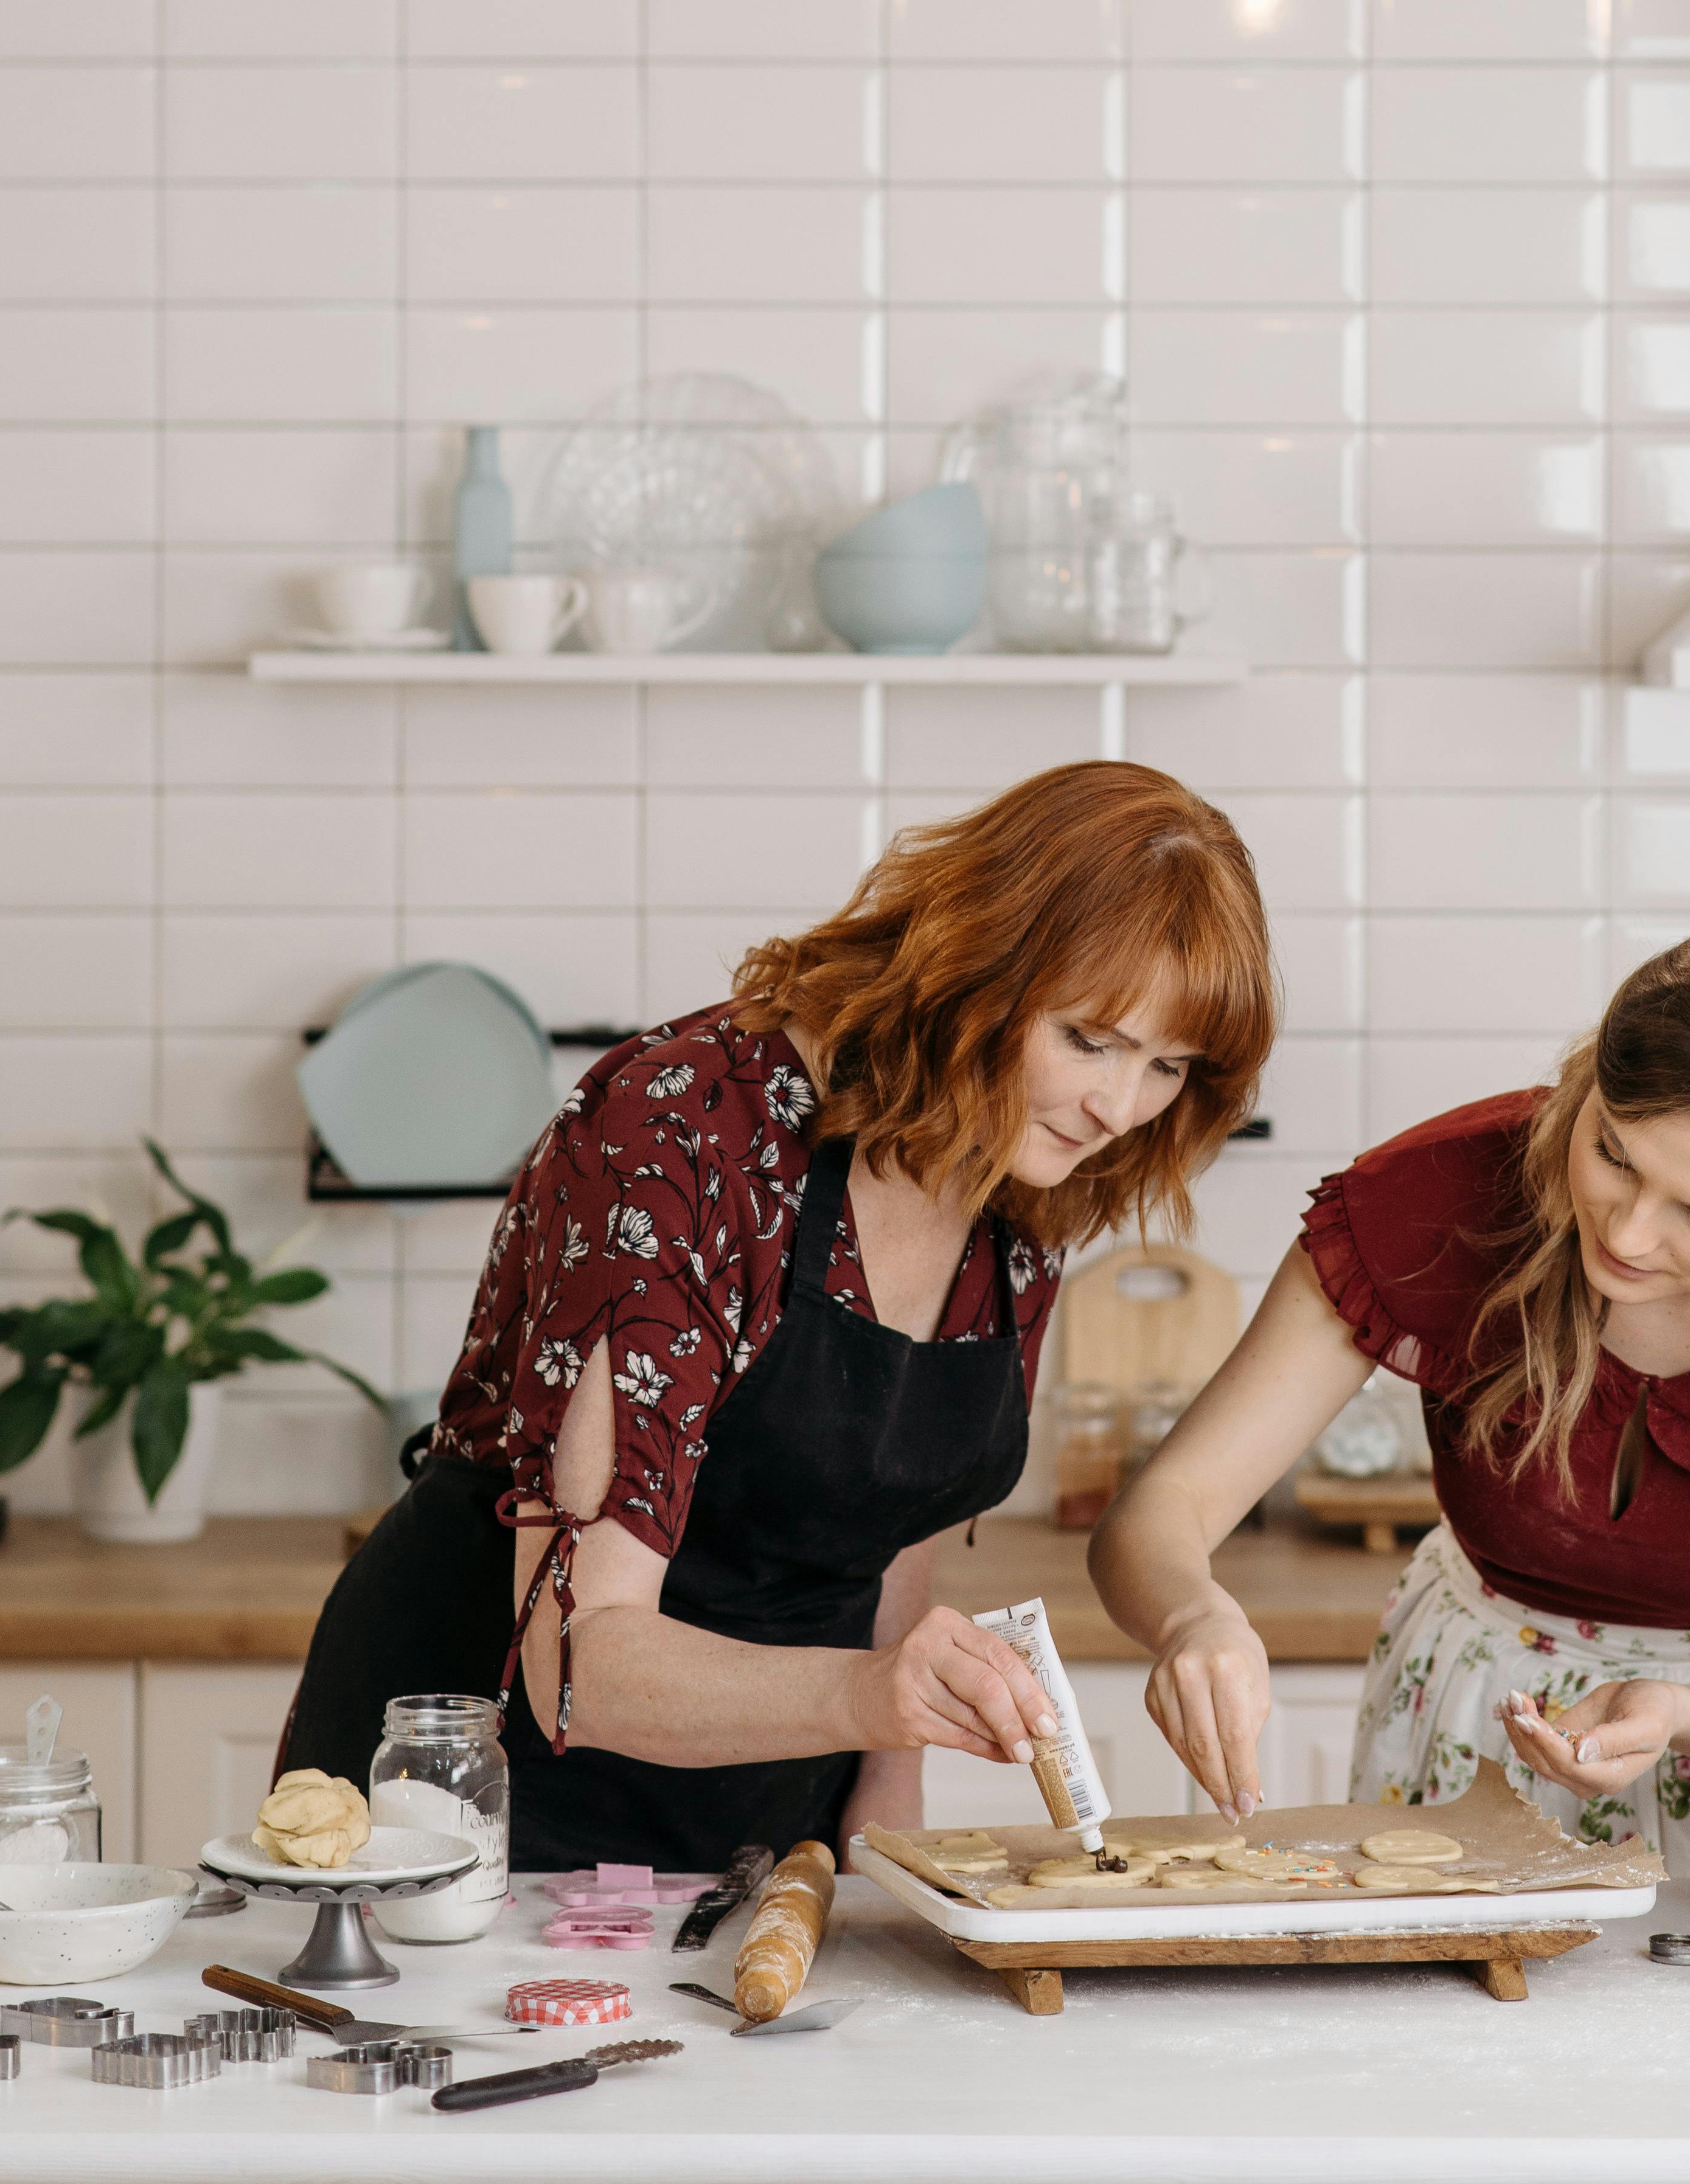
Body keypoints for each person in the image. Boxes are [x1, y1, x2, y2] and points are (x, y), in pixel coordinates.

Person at [286, 761, 1275, 1868]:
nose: (1117, 1105)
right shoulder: (680, 1135)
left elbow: (897, 1506)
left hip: (771, 1807)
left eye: (1168, 1066)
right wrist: (872, 1696)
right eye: (1089, 1039)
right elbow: (578, 1664)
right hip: (470, 1807)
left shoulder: (1023, 1171)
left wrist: (888, 1781)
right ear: (976, 960)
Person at [1090, 916, 1690, 1867]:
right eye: (1613, 1154)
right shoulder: (1439, 1194)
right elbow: (1158, 1512)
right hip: (1461, 1727)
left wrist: (1680, 1714)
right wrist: (1190, 1616)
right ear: (1592, 1084)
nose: (1626, 1235)